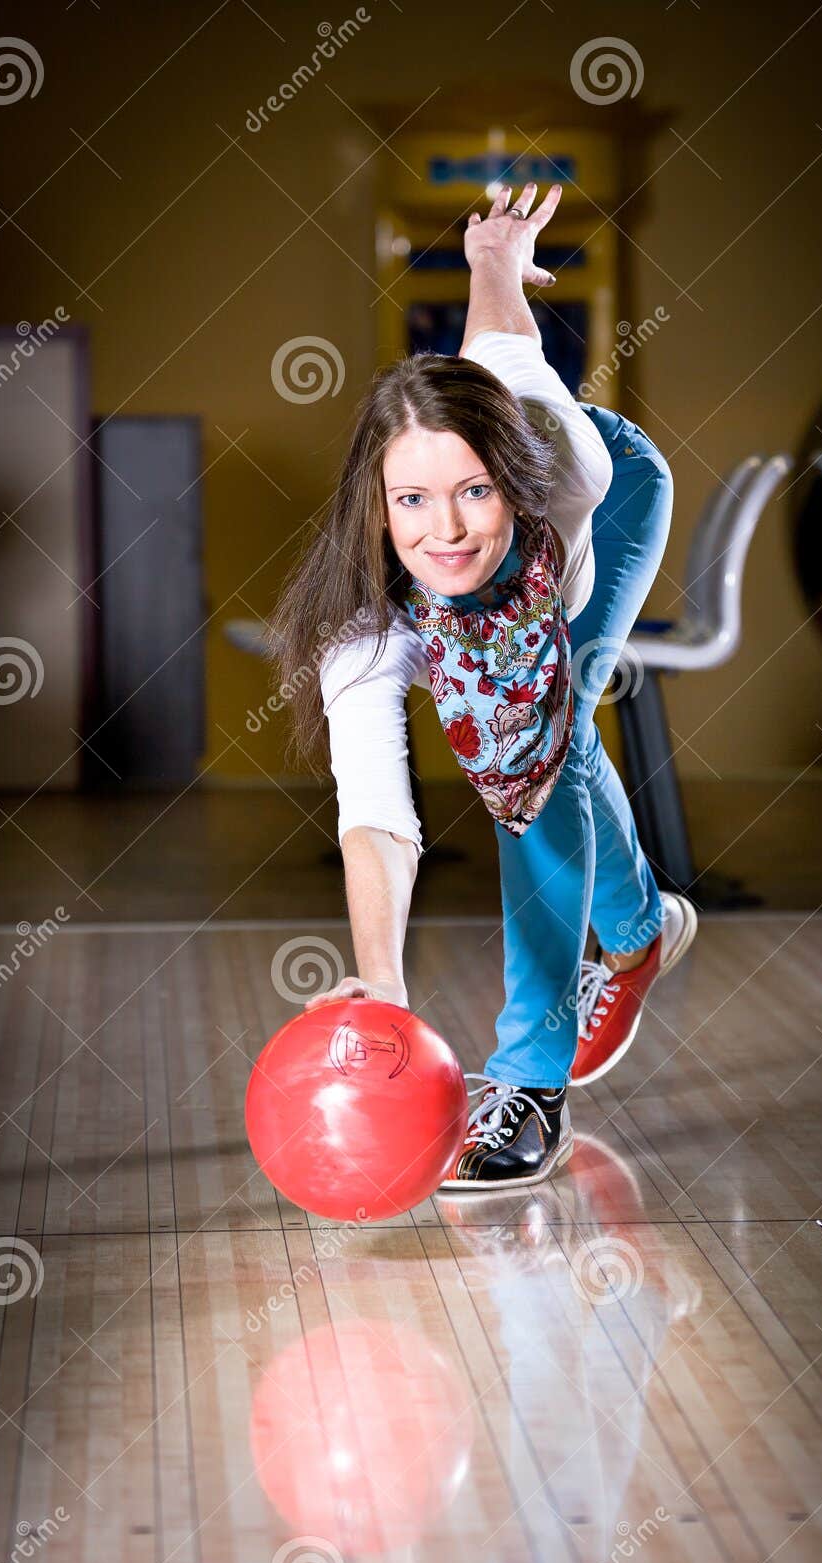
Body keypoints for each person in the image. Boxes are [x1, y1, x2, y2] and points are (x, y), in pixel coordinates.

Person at [269, 181, 696, 1192]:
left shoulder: (567, 465)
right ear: (375, 503)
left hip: (605, 525)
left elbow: (502, 331)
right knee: (545, 735)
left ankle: (527, 1083)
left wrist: (494, 259)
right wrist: (380, 980)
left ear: (510, 474)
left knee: (537, 758)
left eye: (471, 491)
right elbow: (377, 811)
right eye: (410, 499)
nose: (446, 531)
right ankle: (638, 934)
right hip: (497, 576)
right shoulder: (363, 621)